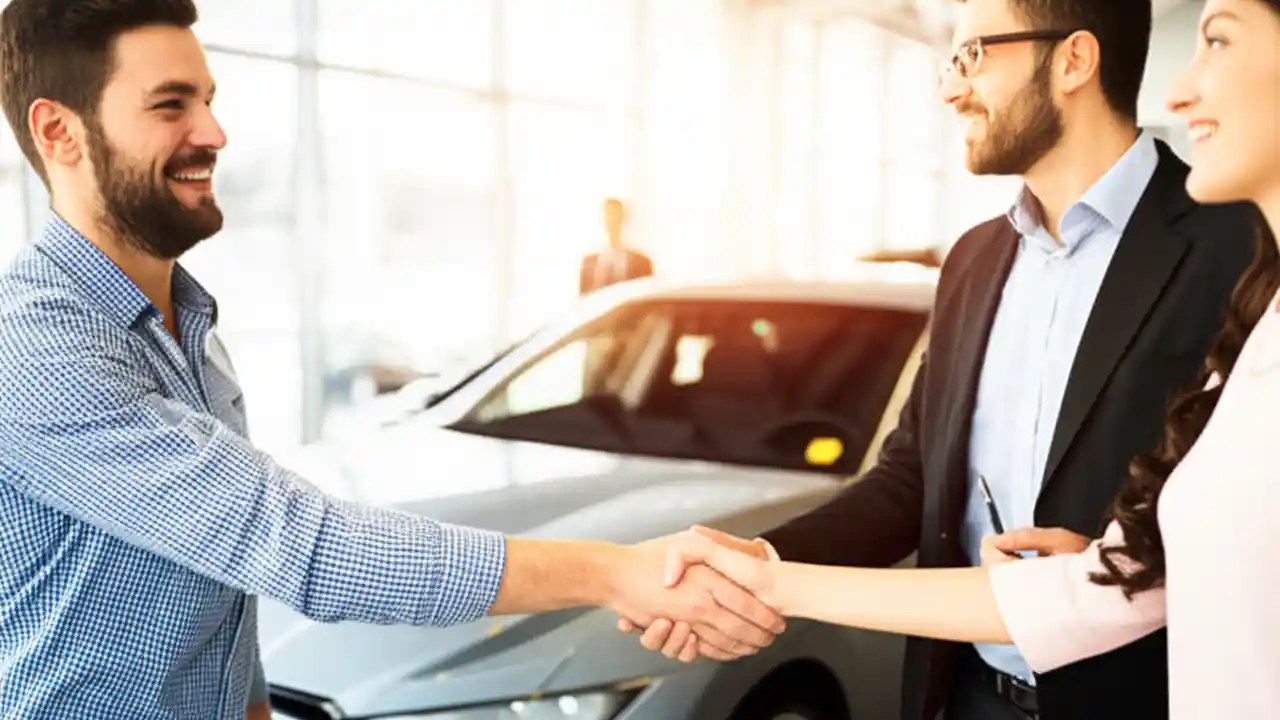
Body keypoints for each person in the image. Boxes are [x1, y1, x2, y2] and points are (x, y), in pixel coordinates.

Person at [0, 3, 782, 719]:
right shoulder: (33, 347)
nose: (214, 132)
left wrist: (252, 704)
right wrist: (619, 572)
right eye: (171, 104)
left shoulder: (188, 324)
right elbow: (304, 546)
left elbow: (221, 564)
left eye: (209, 98)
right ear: (59, 133)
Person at [621, 0, 1260, 718]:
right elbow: (911, 479)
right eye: (949, 62)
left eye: (974, 56)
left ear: (1075, 60)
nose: (951, 88)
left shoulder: (1240, 245)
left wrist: (1121, 573)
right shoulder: (974, 260)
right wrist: (753, 564)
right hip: (964, 696)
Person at [579, 197, 653, 295]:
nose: (612, 221)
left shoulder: (641, 262)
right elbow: (584, 301)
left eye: (615, 216)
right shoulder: (589, 263)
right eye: (608, 216)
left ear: (624, 219)